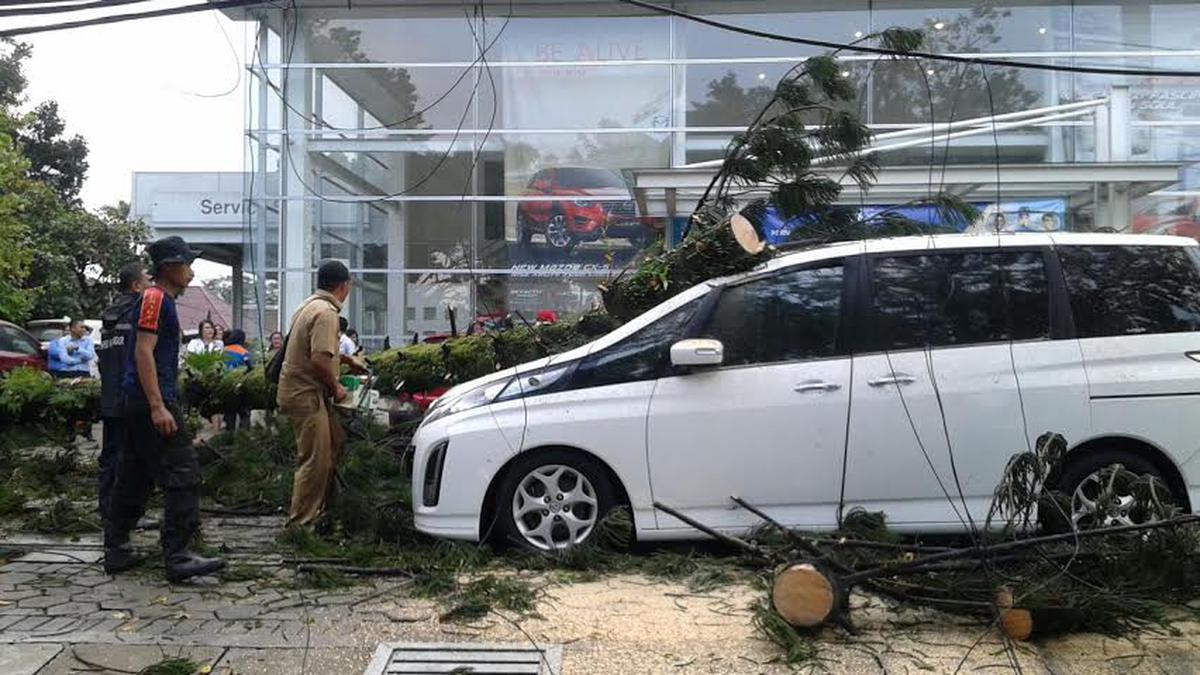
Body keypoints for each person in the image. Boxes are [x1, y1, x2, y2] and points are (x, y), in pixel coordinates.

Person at [105, 236, 224, 582]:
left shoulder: (157, 299)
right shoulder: (156, 299)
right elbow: (144, 351)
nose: (190, 272)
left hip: (136, 400)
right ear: (170, 267)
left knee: (134, 475)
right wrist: (158, 406)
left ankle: (117, 548)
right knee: (183, 473)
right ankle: (178, 555)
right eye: (187, 265)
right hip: (150, 400)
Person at [277, 260, 351, 531]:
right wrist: (337, 387)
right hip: (305, 394)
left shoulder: (308, 305)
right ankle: (301, 525)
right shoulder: (327, 313)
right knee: (315, 460)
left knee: (335, 443)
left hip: (301, 391)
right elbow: (319, 360)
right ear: (344, 286)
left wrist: (345, 360)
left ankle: (325, 511)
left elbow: (313, 350)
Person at [96, 263, 149, 524]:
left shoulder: (109, 315)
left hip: (109, 397)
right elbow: (142, 357)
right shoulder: (138, 312)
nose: (151, 284)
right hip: (132, 398)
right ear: (136, 286)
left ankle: (107, 510)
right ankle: (123, 517)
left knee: (111, 455)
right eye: (147, 280)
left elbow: (102, 360)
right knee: (133, 459)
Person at [222, 329, 252, 431]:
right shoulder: (243, 351)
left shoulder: (223, 350)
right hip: (241, 385)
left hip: (226, 385)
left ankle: (229, 436)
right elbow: (250, 368)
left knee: (230, 414)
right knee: (244, 413)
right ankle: (244, 436)